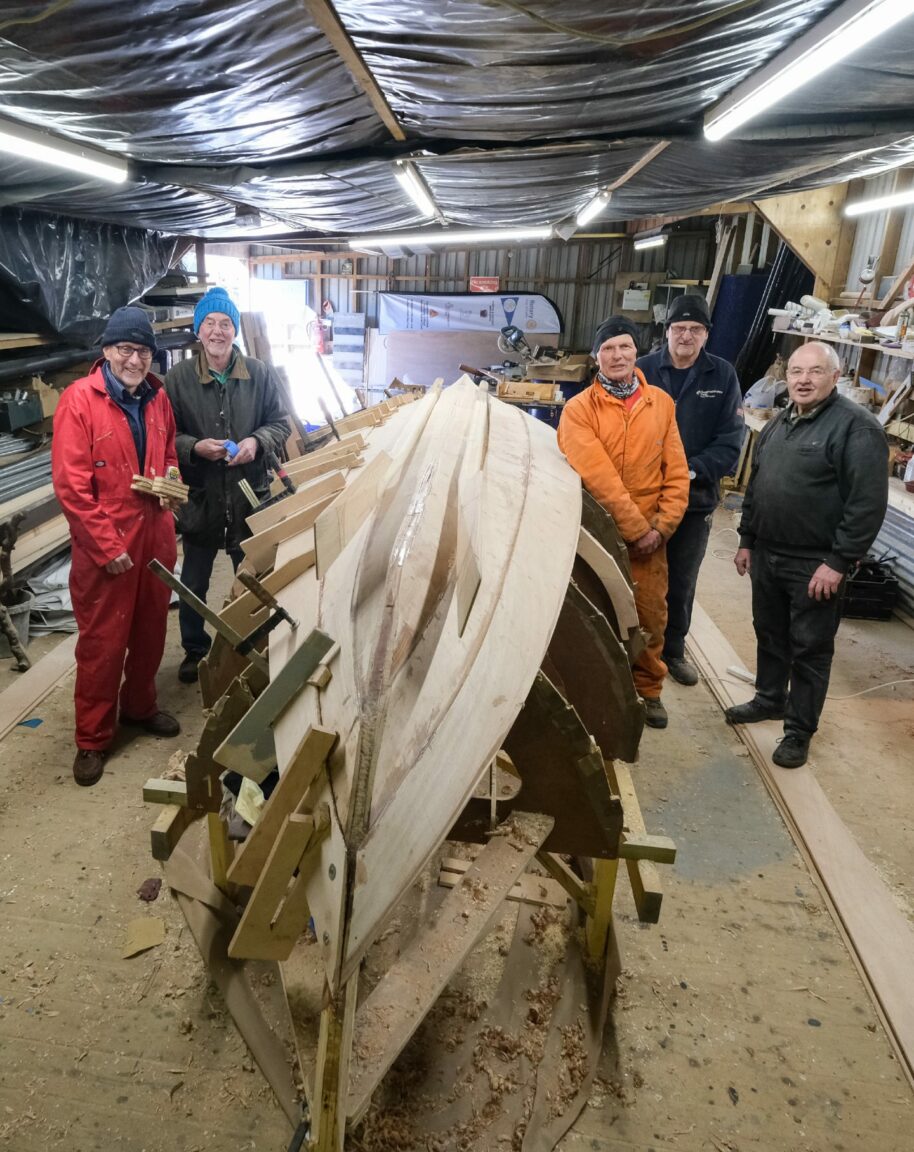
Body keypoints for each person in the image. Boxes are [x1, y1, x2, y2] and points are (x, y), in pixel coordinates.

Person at [727, 340, 889, 768]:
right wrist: (746, 539)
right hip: (768, 553)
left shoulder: (856, 428)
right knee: (770, 634)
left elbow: (867, 504)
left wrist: (838, 562)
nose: (802, 379)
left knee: (810, 648)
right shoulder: (781, 423)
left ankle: (799, 732)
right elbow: (757, 487)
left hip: (815, 562)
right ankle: (768, 698)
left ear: (835, 377)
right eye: (796, 371)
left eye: (814, 371)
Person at [51, 307, 180, 787]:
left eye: (143, 351)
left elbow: (167, 457)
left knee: (149, 631)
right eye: (126, 349)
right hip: (106, 543)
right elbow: (72, 488)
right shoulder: (79, 401)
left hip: (155, 535)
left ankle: (140, 708)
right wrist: (107, 546)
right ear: (106, 351)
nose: (135, 359)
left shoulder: (158, 398)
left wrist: (171, 482)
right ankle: (92, 737)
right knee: (104, 642)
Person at [558, 316, 690, 728]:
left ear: (638, 353)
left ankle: (648, 690)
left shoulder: (662, 404)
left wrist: (663, 526)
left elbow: (677, 471)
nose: (618, 355)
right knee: (595, 611)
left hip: (652, 537)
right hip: (598, 532)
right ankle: (593, 690)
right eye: (609, 349)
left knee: (650, 616)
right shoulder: (579, 410)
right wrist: (637, 529)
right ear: (598, 358)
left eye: (625, 347)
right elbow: (598, 478)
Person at [164, 286, 289, 683]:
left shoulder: (259, 373)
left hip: (248, 495)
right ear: (198, 331)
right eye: (210, 323)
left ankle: (248, 645)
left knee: (251, 577)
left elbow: (281, 423)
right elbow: (167, 435)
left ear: (234, 330)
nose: (218, 331)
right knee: (194, 582)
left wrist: (256, 443)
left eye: (225, 323)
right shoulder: (177, 379)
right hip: (201, 498)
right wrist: (195, 447)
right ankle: (194, 650)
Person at [636, 294, 743, 686]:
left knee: (681, 581)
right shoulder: (642, 369)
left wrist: (686, 473)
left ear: (705, 335)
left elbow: (731, 442)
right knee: (638, 577)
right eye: (679, 328)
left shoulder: (722, 375)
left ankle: (673, 651)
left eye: (695, 329)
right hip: (643, 499)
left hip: (694, 503)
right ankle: (633, 652)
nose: (686, 336)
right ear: (667, 332)